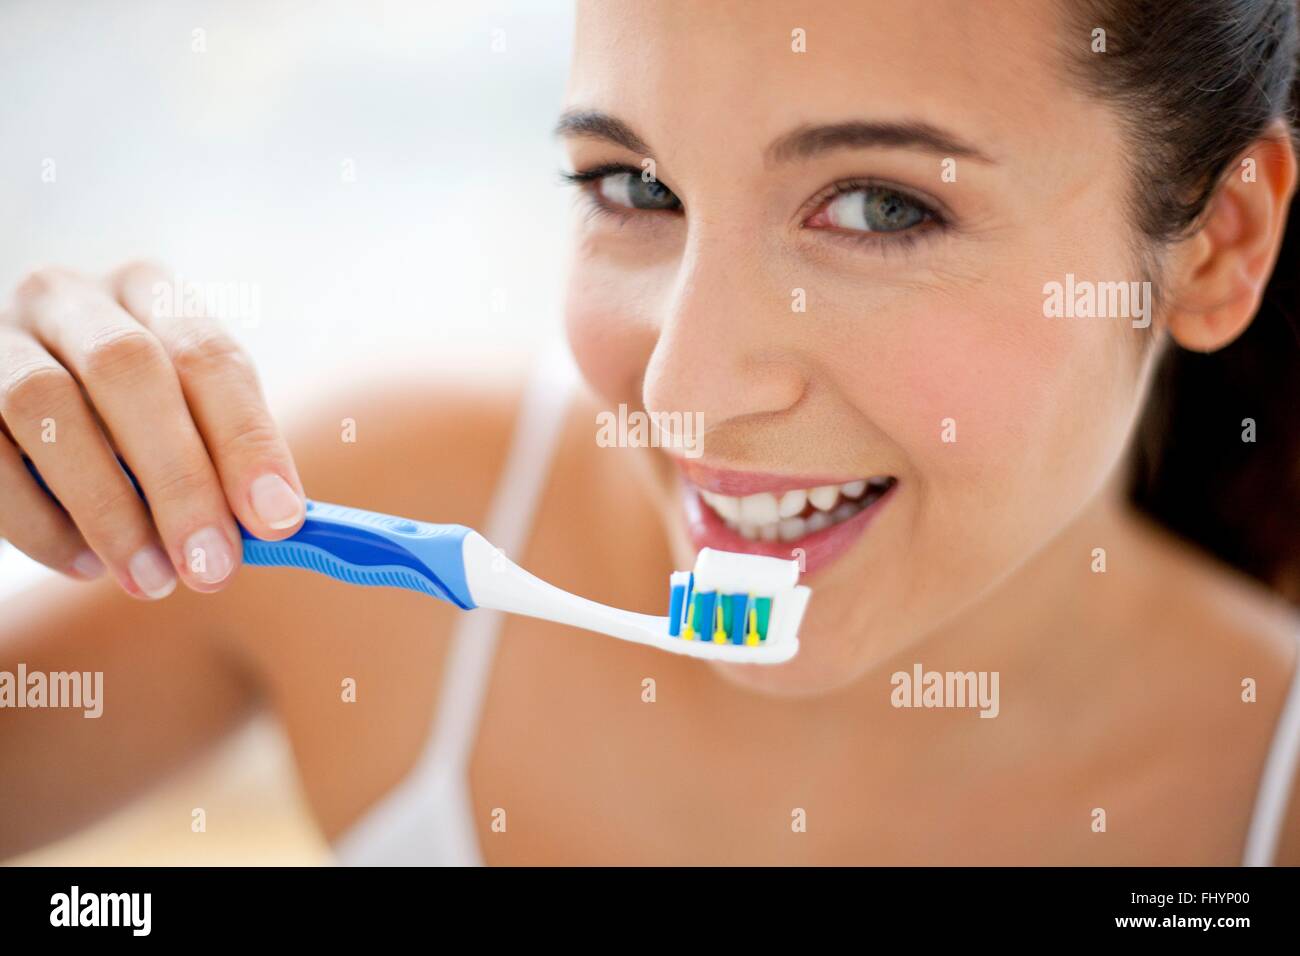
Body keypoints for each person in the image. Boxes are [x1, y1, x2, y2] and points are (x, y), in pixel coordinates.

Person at [2, 0, 1298, 865]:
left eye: (885, 209)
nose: (687, 382)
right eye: (633, 186)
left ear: (1216, 244)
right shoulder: (319, 523)